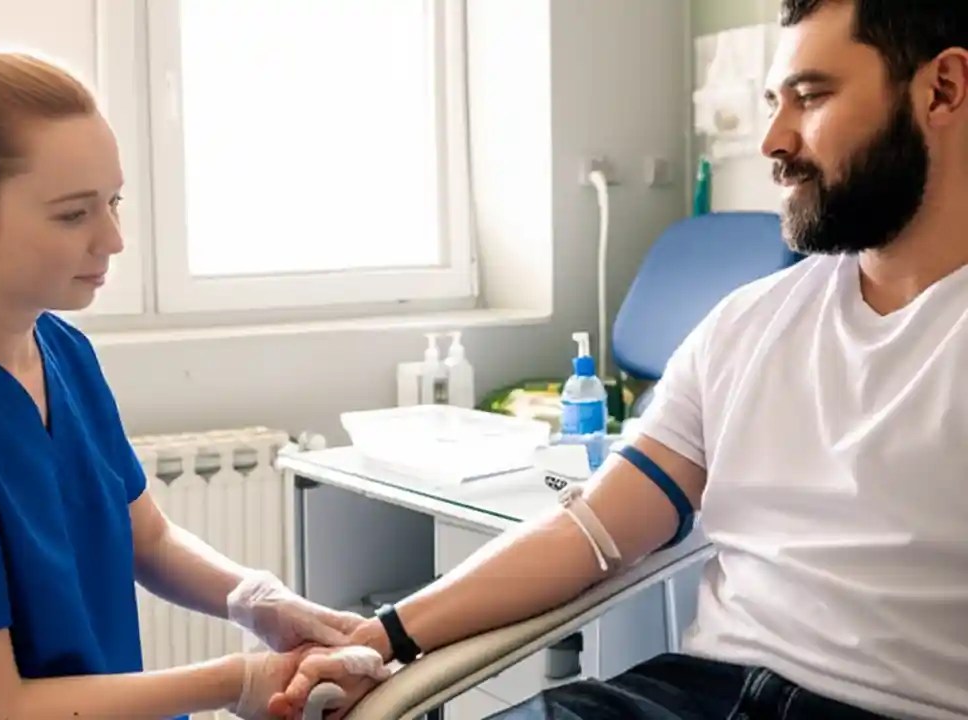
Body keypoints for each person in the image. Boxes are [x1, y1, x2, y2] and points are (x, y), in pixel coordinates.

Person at [274, 1, 968, 718]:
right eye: (771, 102)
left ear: (941, 89)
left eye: (812, 96)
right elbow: (591, 531)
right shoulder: (749, 323)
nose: (772, 139)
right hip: (694, 695)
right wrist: (382, 637)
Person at [0, 39, 381, 720]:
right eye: (73, 213)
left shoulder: (63, 353)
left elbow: (150, 539)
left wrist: (258, 600)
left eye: (113, 202)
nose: (111, 239)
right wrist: (236, 680)